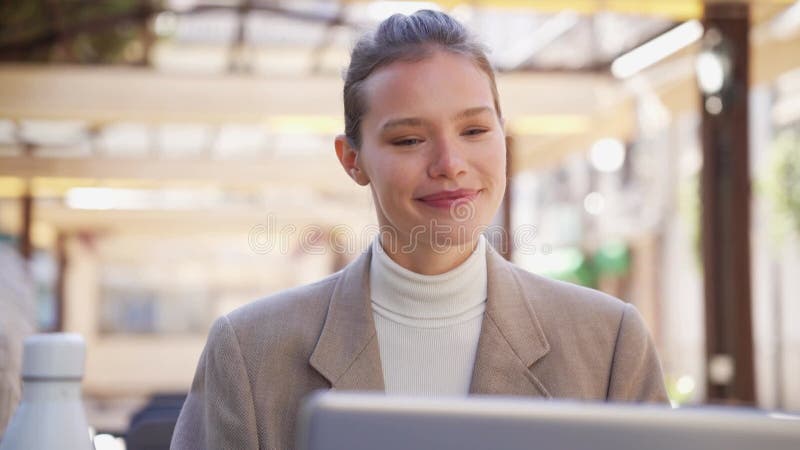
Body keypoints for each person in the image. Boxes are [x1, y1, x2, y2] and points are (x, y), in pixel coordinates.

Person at [171, 10, 667, 450]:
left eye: (474, 131)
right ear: (353, 160)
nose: (450, 164)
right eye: (409, 139)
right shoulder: (252, 352)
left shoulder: (607, 344)